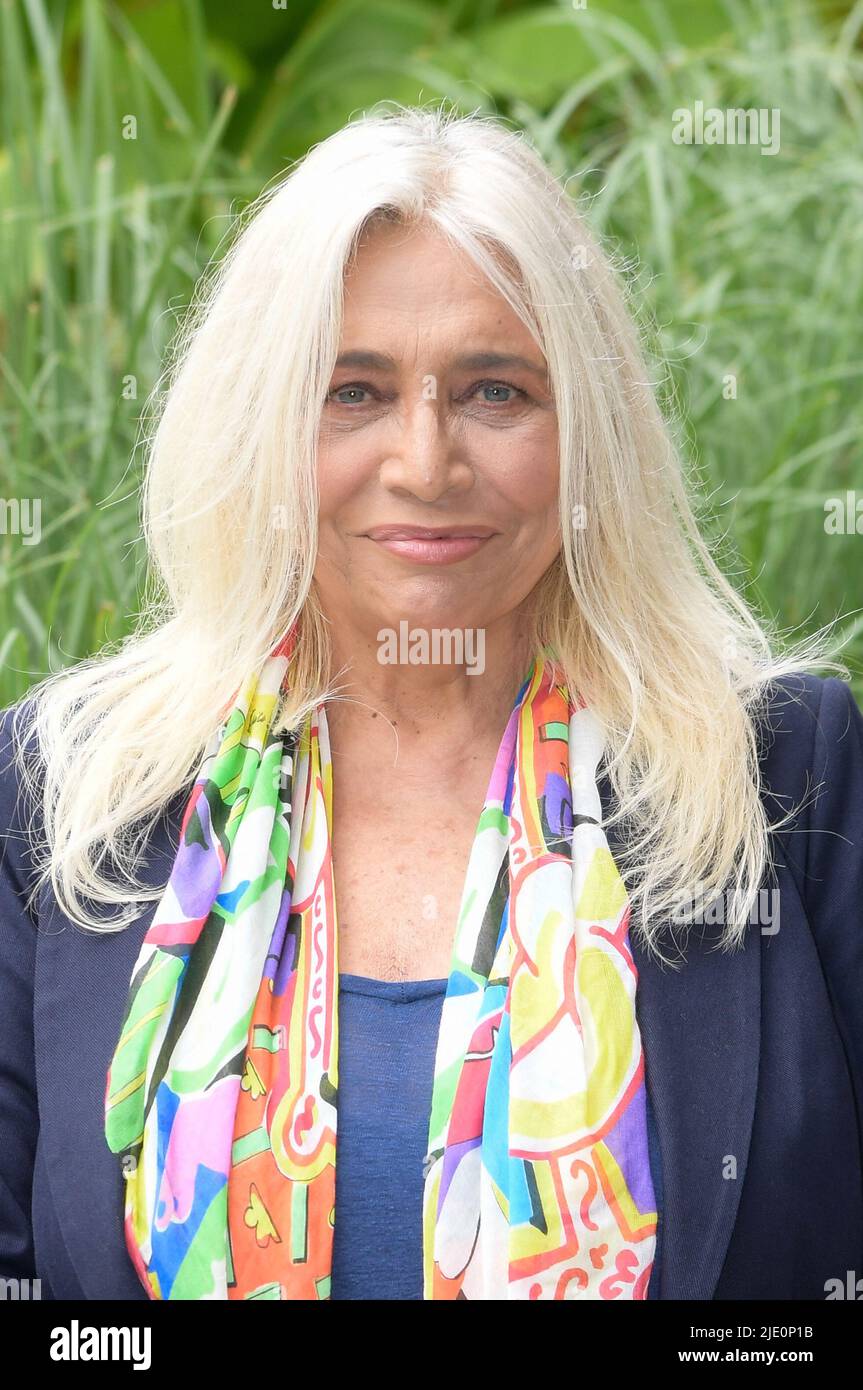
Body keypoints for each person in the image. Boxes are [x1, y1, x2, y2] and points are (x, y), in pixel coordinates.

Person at [1, 103, 861, 1302]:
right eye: (352, 391)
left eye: (494, 391)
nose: (424, 461)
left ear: (586, 436)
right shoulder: (71, 794)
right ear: (257, 424)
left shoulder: (780, 776)